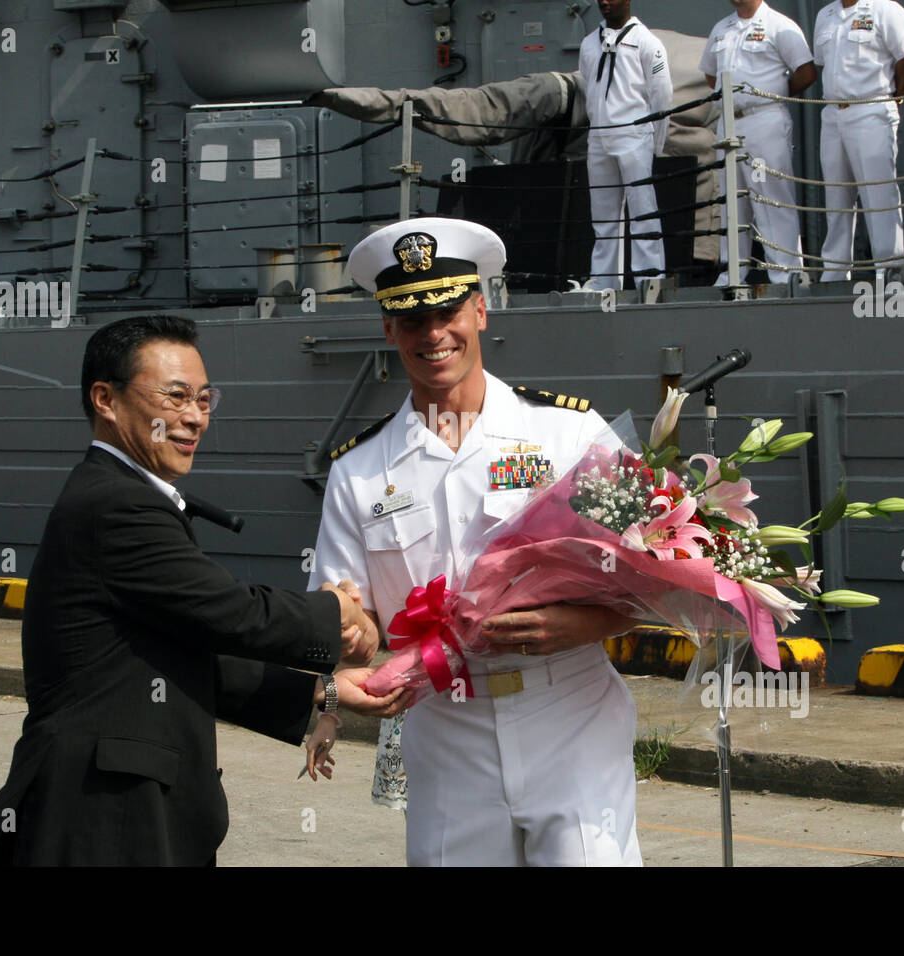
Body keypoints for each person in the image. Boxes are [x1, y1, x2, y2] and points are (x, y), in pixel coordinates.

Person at [0, 315, 401, 866]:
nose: (195, 417)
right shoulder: (115, 504)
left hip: (124, 809)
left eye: (203, 398)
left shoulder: (120, 494)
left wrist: (326, 691)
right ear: (106, 398)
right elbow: (231, 611)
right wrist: (336, 613)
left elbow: (177, 655)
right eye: (175, 397)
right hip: (103, 816)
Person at [309, 218, 642, 866]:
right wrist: (340, 656)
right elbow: (356, 626)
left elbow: (649, 577)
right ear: (387, 329)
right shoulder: (359, 472)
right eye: (410, 319)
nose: (433, 334)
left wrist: (584, 622)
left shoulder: (567, 434)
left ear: (481, 309)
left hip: (569, 715)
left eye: (447, 310)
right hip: (445, 730)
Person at [701, 0, 817, 286]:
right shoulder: (721, 29)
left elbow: (806, 71)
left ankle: (786, 272)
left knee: (769, 196)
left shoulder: (779, 25)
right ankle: (733, 272)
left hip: (763, 123)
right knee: (733, 198)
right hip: (729, 122)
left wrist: (772, 94)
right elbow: (710, 74)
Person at [813, 0, 904, 281]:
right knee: (836, 196)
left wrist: (897, 95)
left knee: (879, 193)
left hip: (871, 107)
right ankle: (835, 271)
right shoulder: (825, 15)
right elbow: (823, 63)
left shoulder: (886, 10)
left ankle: (890, 268)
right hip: (833, 112)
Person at [577, 0, 673, 293]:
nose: (605, 2)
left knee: (643, 213)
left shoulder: (646, 42)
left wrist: (655, 143)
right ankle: (604, 282)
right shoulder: (588, 43)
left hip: (633, 133)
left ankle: (649, 280)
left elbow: (661, 96)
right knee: (603, 217)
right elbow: (587, 83)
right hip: (599, 134)